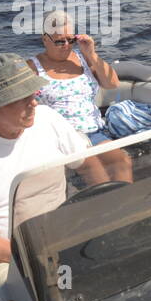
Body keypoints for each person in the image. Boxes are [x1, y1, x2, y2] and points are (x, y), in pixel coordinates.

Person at [0, 53, 105, 299]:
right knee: (45, 295)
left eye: (34, 93)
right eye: (23, 97)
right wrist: (31, 258)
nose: (34, 102)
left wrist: (105, 211)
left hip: (60, 241)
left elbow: (91, 167)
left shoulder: (48, 120)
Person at [28, 10, 132, 182]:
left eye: (71, 40)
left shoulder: (83, 59)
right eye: (60, 41)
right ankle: (107, 207)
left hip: (94, 131)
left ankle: (127, 205)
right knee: (97, 174)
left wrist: (91, 53)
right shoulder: (32, 67)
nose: (67, 46)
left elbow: (112, 83)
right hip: (63, 138)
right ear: (45, 39)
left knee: (122, 162)